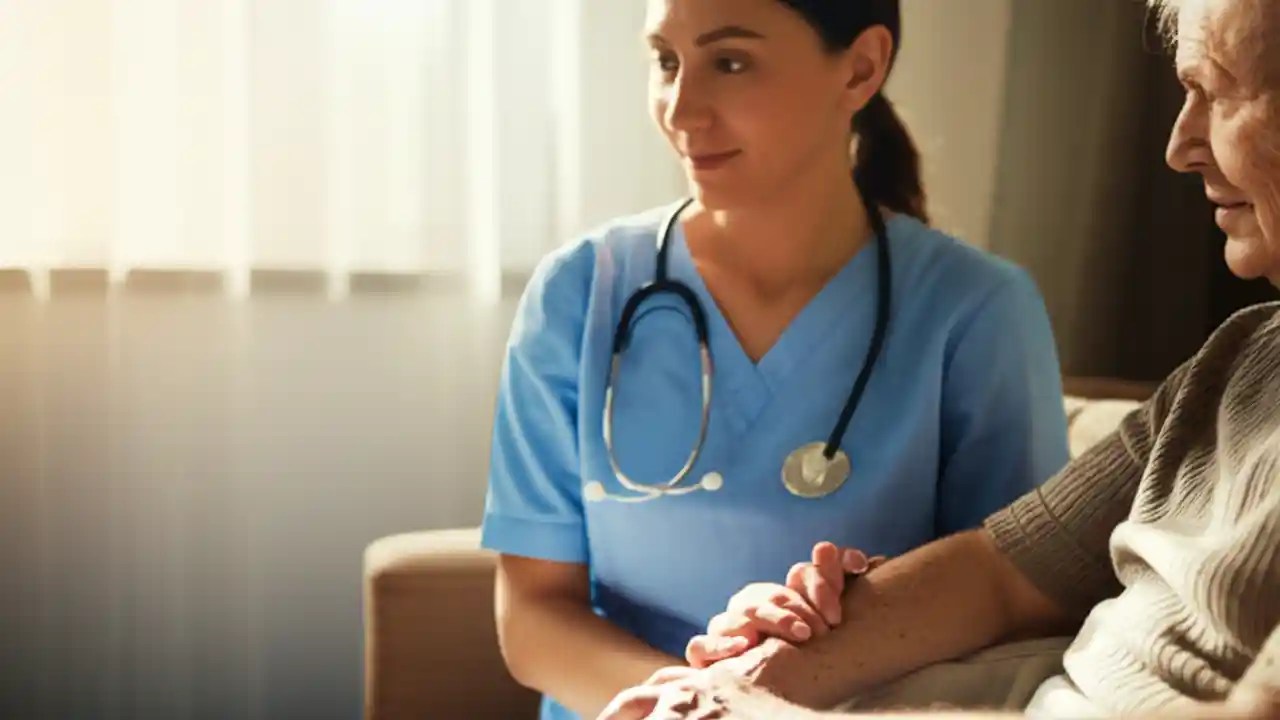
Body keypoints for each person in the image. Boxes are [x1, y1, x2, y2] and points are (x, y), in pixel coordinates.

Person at [598, 0, 1280, 718]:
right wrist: (739, 682)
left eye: (1221, 90)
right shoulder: (1240, 359)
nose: (1179, 144)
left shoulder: (972, 304)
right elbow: (1001, 570)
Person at [479, 1, 1071, 718]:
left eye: (729, 62)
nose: (680, 109)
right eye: (666, 62)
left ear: (860, 68)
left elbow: (1017, 602)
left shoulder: (975, 310)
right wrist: (700, 706)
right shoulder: (579, 293)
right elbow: (533, 617)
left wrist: (785, 681)